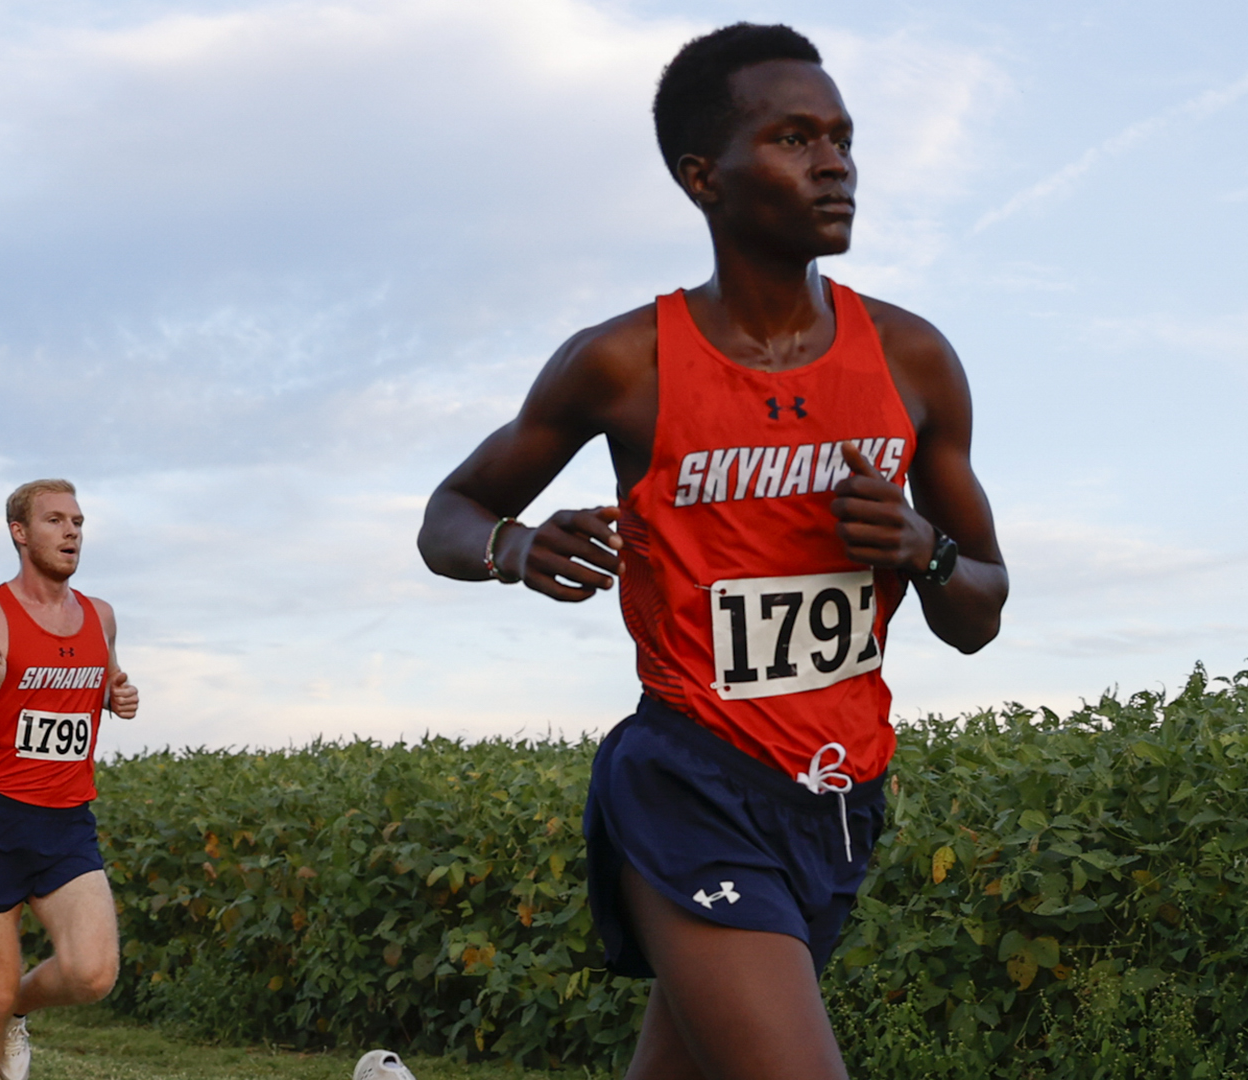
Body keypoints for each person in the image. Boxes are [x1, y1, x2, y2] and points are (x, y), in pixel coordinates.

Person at [417, 22, 1006, 1080]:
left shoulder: (914, 361)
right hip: (691, 779)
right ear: (705, 178)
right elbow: (450, 513)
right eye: (792, 139)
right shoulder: (625, 363)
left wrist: (923, 551)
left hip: (838, 794)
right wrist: (513, 546)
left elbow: (982, 609)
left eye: (841, 137)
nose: (835, 163)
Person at [0, 479, 138, 1080]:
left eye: (78, 521)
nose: (71, 532)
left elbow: (102, 683)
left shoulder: (101, 616)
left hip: (68, 822)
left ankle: (15, 1012)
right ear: (20, 533)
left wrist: (117, 696)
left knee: (91, 974)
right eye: (55, 521)